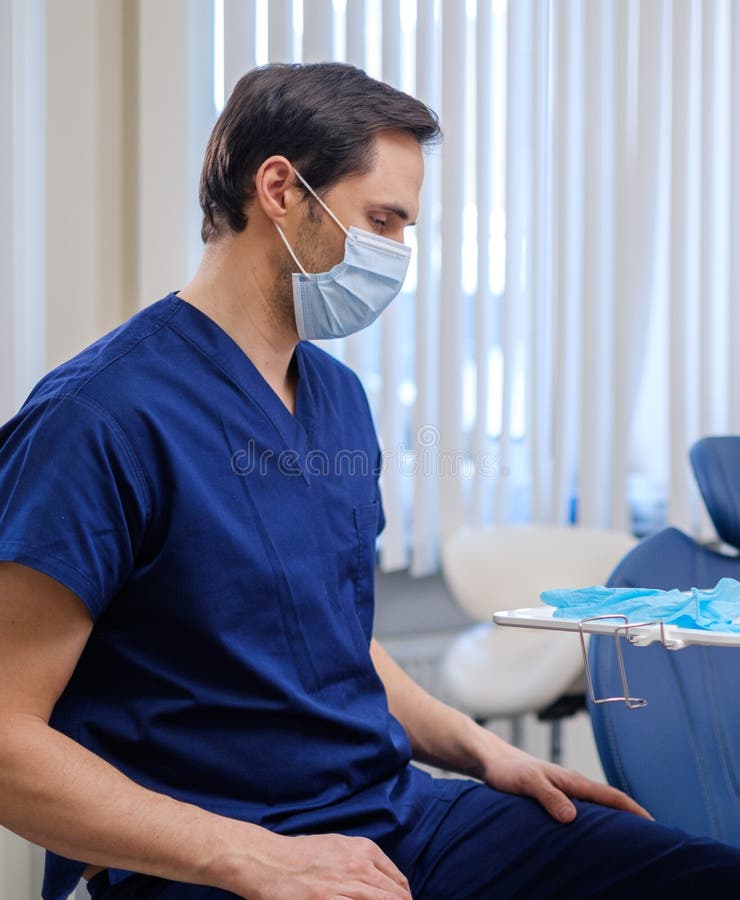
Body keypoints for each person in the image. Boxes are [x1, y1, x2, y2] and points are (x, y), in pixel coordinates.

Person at [0, 62, 738, 900]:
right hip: (221, 855)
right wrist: (248, 856)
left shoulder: (339, 399)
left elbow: (333, 639)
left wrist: (478, 747)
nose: (396, 254)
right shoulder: (99, 416)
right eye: (380, 220)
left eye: (405, 229)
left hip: (395, 814)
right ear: (279, 188)